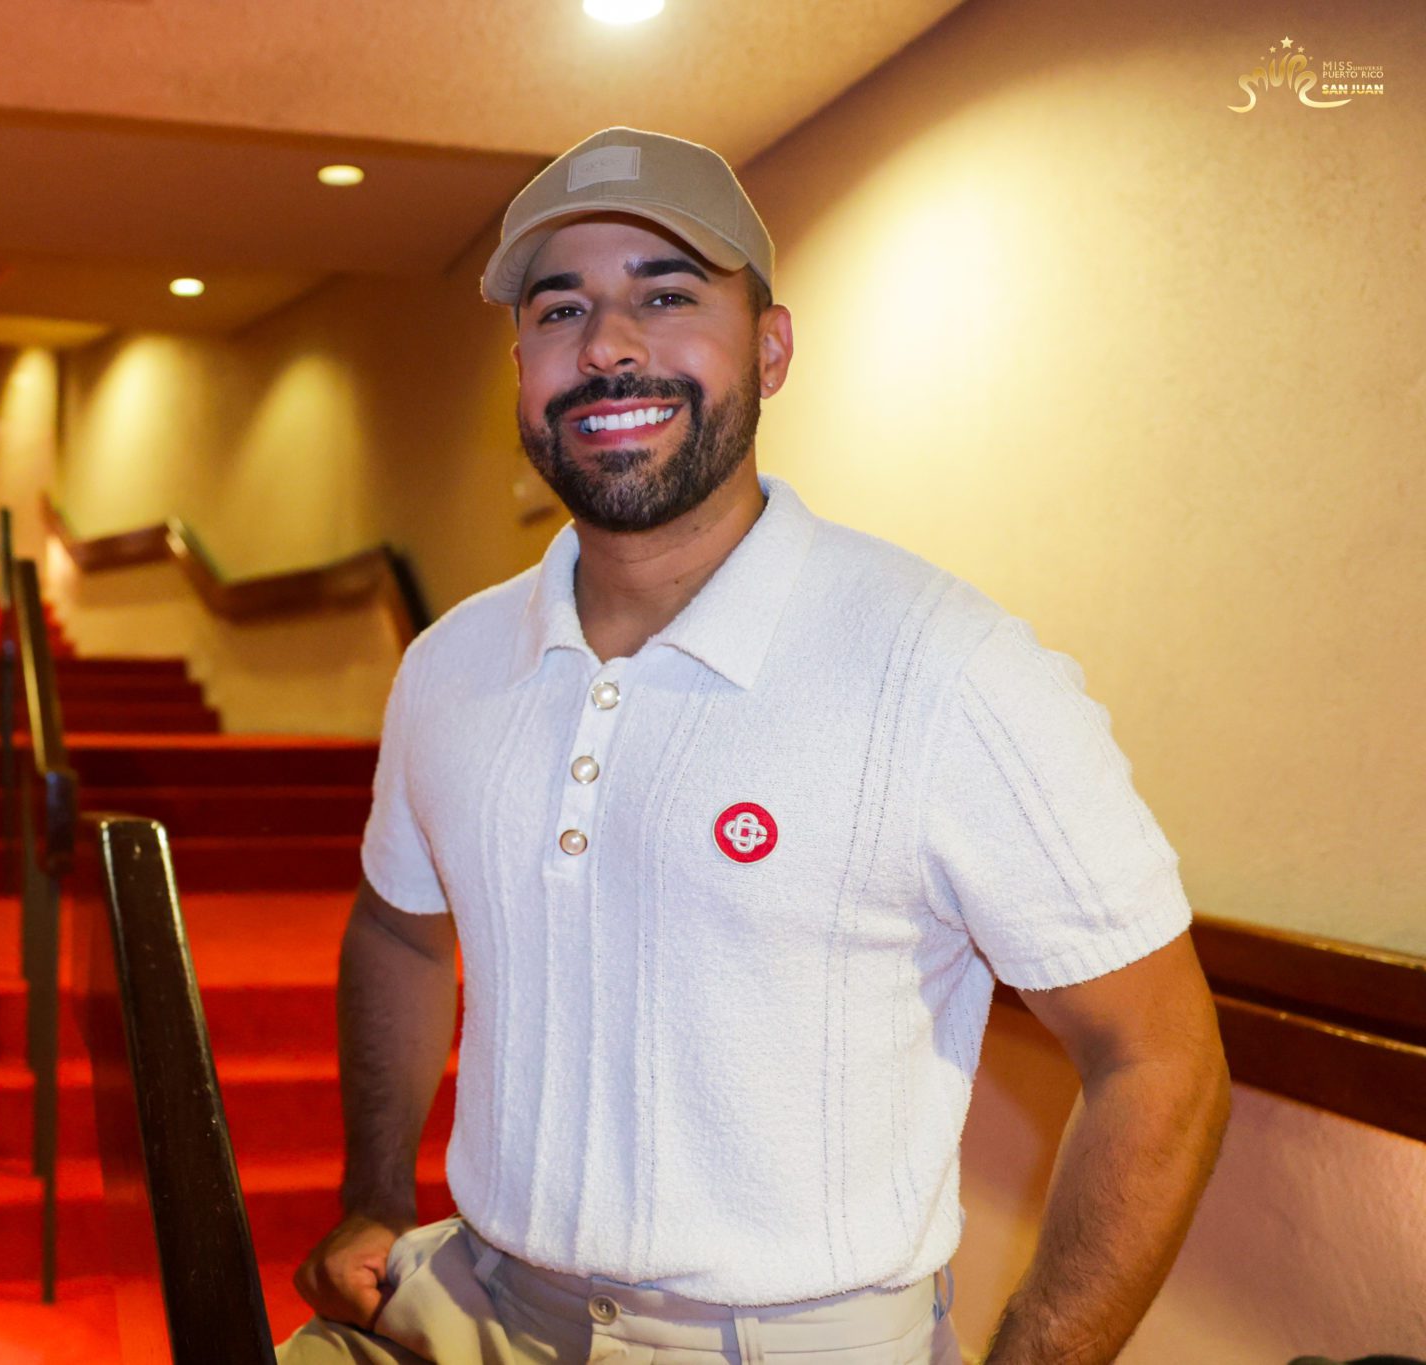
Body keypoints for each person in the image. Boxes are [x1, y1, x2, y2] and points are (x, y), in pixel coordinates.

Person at [276, 127, 1230, 1365]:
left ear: (770, 350)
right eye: (560, 310)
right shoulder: (448, 664)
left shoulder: (944, 669)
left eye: (666, 295)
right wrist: (373, 1193)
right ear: (520, 370)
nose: (606, 346)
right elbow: (401, 928)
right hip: (473, 1303)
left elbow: (1160, 1058)